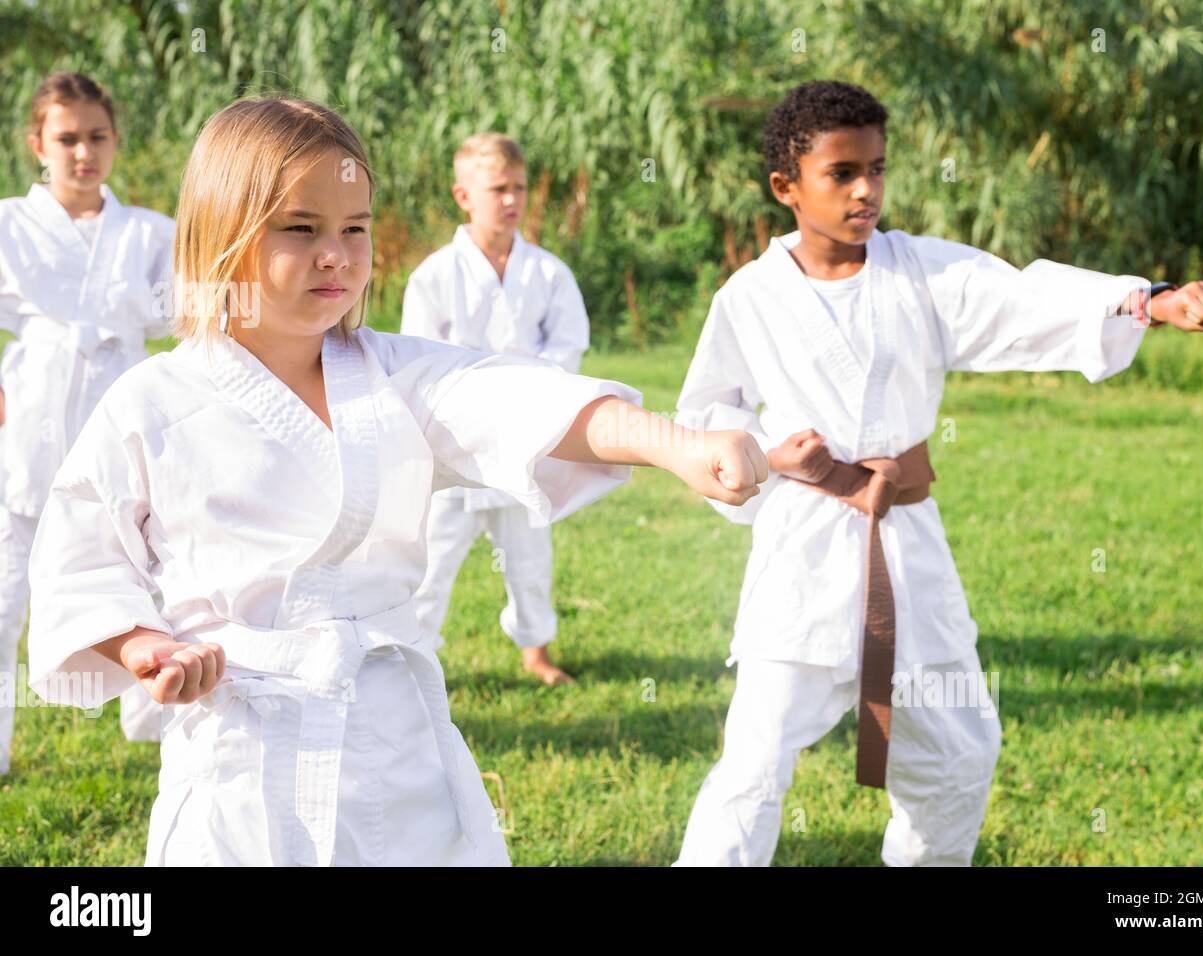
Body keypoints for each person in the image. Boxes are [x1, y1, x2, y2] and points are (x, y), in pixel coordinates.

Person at [23, 95, 767, 866]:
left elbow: (508, 396)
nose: (336, 255)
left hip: (396, 743)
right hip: (244, 750)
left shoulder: (390, 376)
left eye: (355, 228)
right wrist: (142, 642)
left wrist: (676, 445)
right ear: (225, 233)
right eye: (301, 229)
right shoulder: (153, 403)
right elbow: (83, 554)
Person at [674, 79, 1203, 867]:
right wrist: (758, 456)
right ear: (785, 187)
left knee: (960, 756)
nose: (867, 188)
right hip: (802, 553)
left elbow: (1024, 297)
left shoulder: (920, 272)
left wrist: (1145, 301)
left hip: (905, 545)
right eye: (842, 173)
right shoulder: (751, 297)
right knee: (755, 767)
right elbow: (705, 416)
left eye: (878, 167)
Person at [0, 71, 172, 773]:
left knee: (150, 574)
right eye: (66, 138)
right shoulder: (9, 222)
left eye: (96, 137)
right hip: (31, 416)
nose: (83, 153)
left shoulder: (149, 233)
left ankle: (156, 716)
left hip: (120, 406)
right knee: (7, 591)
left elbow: (188, 316)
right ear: (37, 142)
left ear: (115, 141)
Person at [401, 133, 590, 686]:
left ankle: (537, 651)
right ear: (464, 196)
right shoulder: (434, 276)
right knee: (431, 563)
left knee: (529, 560)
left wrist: (523, 390)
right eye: (498, 189)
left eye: (520, 188)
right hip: (453, 444)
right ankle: (417, 657)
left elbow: (568, 349)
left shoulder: (548, 272)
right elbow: (419, 359)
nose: (511, 200)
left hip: (526, 440)